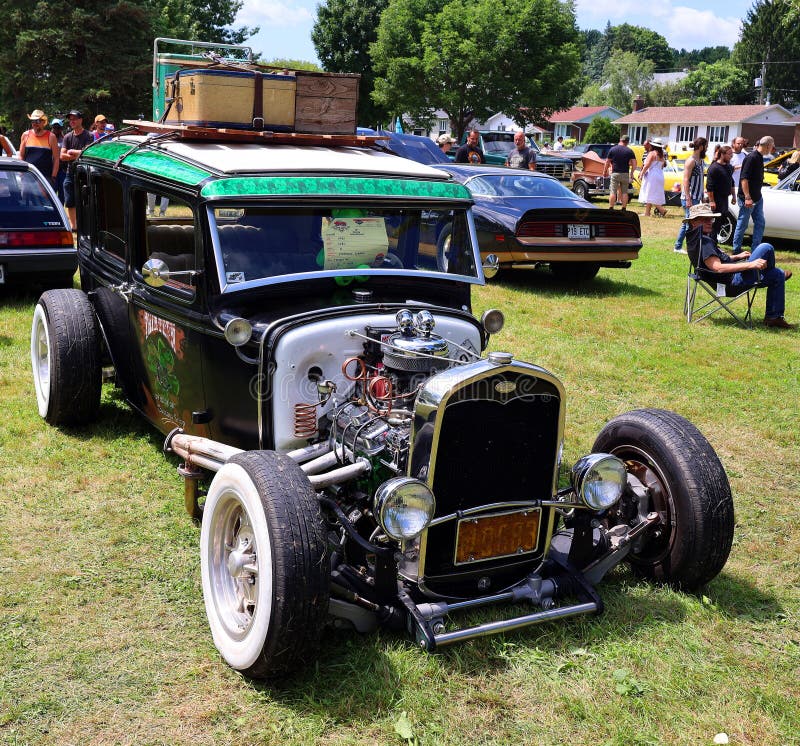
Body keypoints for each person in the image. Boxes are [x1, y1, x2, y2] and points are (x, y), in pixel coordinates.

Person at [685, 203, 793, 329]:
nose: (710, 222)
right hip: (732, 283)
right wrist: (750, 265)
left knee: (777, 275)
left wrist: (735, 257)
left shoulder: (694, 238)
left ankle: (773, 317)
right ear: (694, 222)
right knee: (766, 248)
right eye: (705, 219)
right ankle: (773, 314)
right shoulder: (705, 242)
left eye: (711, 218)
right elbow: (718, 268)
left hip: (724, 279)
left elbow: (713, 260)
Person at [732, 136, 773, 254]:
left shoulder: (760, 157)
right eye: (772, 146)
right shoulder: (752, 158)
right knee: (743, 223)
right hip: (747, 198)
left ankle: (756, 250)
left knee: (760, 222)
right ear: (768, 145)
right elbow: (744, 179)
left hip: (758, 197)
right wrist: (747, 197)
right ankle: (736, 250)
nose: (772, 148)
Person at [673, 136, 707, 253]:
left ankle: (678, 246)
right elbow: (686, 180)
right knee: (690, 224)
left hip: (697, 197)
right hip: (690, 197)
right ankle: (687, 247)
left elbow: (701, 179)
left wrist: (702, 194)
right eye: (706, 146)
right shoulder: (691, 161)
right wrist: (688, 198)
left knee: (688, 222)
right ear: (701, 147)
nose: (707, 149)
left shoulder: (701, 161)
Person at [61, 110, 94, 230]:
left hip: (84, 173)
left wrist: (71, 152)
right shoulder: (67, 137)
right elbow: (62, 156)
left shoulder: (89, 135)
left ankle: (85, 225)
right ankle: (73, 226)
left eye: (75, 119)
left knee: (85, 200)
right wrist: (78, 154)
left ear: (81, 120)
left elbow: (88, 153)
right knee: (69, 200)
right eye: (70, 119)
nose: (72, 121)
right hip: (70, 173)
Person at [18, 109, 60, 184]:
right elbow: (21, 156)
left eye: (38, 121)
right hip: (28, 176)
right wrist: (21, 173)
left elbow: (56, 158)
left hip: (45, 178)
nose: (35, 123)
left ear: (43, 122)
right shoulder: (25, 135)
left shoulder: (51, 136)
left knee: (43, 196)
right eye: (33, 121)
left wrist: (53, 176)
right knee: (25, 195)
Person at [705, 144, 735, 244]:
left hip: (724, 198)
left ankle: (714, 242)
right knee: (713, 221)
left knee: (722, 219)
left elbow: (732, 182)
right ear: (722, 154)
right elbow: (709, 186)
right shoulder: (714, 168)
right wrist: (712, 201)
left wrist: (734, 196)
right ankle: (710, 242)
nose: (731, 156)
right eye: (729, 154)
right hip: (716, 198)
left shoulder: (729, 167)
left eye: (732, 154)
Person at [604, 135, 636, 210]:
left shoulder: (613, 149)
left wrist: (604, 171)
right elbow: (634, 163)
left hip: (615, 173)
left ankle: (611, 207)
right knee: (625, 192)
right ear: (627, 142)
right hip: (625, 173)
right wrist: (632, 173)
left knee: (613, 191)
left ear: (620, 140)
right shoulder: (629, 151)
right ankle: (624, 208)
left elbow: (607, 162)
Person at [637, 137, 667, 217]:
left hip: (652, 175)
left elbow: (647, 165)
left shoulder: (652, 153)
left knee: (649, 194)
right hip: (660, 174)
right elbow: (663, 166)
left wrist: (641, 174)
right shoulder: (661, 155)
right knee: (652, 193)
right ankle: (647, 213)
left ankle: (662, 210)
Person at [50, 118, 68, 203]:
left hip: (62, 170)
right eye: (54, 127)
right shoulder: (48, 138)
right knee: (52, 191)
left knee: (62, 192)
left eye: (58, 127)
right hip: (51, 170)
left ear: (61, 128)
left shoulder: (65, 139)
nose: (56, 129)